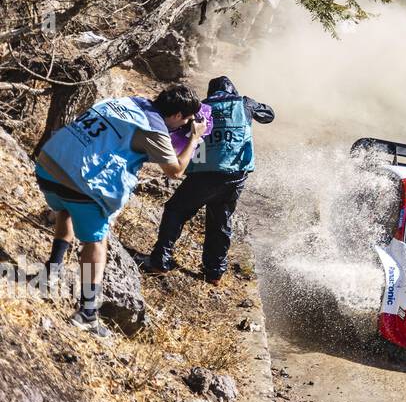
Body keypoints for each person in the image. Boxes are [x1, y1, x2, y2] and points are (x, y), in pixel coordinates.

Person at [35, 85, 204, 336]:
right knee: (96, 243)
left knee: (67, 210)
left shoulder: (128, 101)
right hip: (78, 185)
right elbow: (175, 171)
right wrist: (195, 138)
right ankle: (87, 314)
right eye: (186, 121)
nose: (184, 125)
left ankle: (51, 272)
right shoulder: (154, 129)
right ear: (178, 115)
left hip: (48, 167)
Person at [146, 76, 274, 285]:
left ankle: (160, 261)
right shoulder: (244, 103)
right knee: (220, 220)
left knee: (176, 210)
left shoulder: (201, 109)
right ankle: (214, 273)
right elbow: (269, 115)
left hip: (203, 173)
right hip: (235, 174)